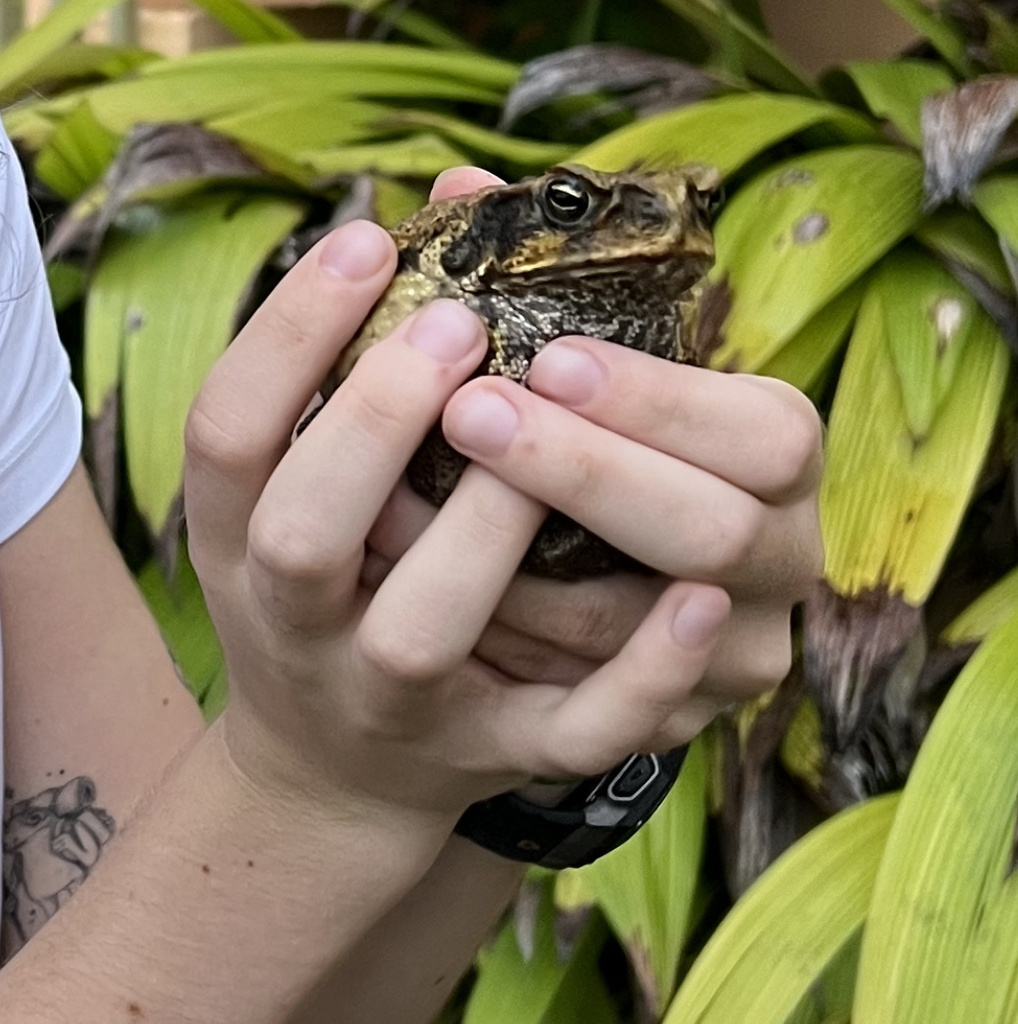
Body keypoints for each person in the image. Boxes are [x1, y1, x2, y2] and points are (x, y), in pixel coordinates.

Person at [0, 112, 823, 1021]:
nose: (671, 228)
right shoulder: (454, 276)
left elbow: (159, 950)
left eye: (701, 205)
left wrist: (458, 746)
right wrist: (315, 781)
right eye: (570, 207)